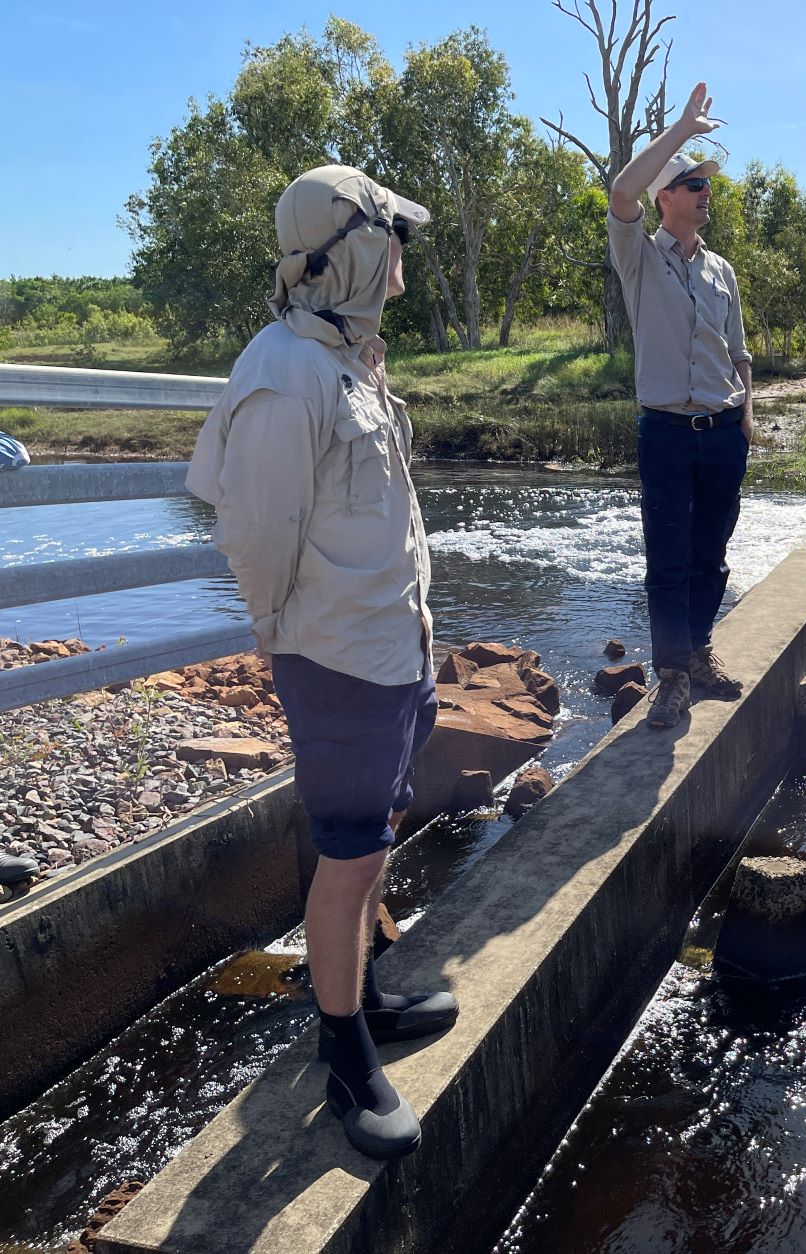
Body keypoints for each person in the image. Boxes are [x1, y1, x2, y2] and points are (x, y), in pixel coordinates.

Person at [186, 165, 456, 1160]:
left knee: (372, 835)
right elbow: (255, 536)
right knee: (349, 855)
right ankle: (343, 1050)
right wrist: (283, 636)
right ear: (347, 252)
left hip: (389, 645)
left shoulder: (345, 356)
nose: (399, 259)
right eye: (391, 238)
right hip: (340, 657)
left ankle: (365, 991)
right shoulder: (285, 372)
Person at [607, 81, 752, 729]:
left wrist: (747, 416)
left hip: (723, 430)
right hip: (665, 430)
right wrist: (681, 134)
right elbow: (619, 192)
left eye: (706, 185)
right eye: (693, 183)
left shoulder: (721, 271)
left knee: (711, 552)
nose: (705, 192)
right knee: (666, 555)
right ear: (666, 196)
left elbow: (739, 352)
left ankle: (697, 654)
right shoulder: (639, 257)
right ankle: (670, 676)